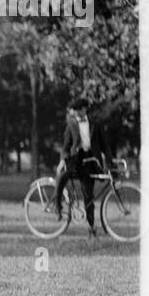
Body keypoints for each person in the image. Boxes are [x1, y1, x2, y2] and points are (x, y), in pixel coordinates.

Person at [54, 96, 109, 236]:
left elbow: (104, 145)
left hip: (90, 161)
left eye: (80, 110)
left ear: (85, 109)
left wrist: (110, 161)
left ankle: (91, 227)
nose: (77, 113)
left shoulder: (95, 124)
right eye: (75, 110)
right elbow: (66, 146)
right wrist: (63, 160)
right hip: (75, 159)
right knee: (62, 176)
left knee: (88, 195)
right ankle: (57, 205)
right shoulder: (71, 124)